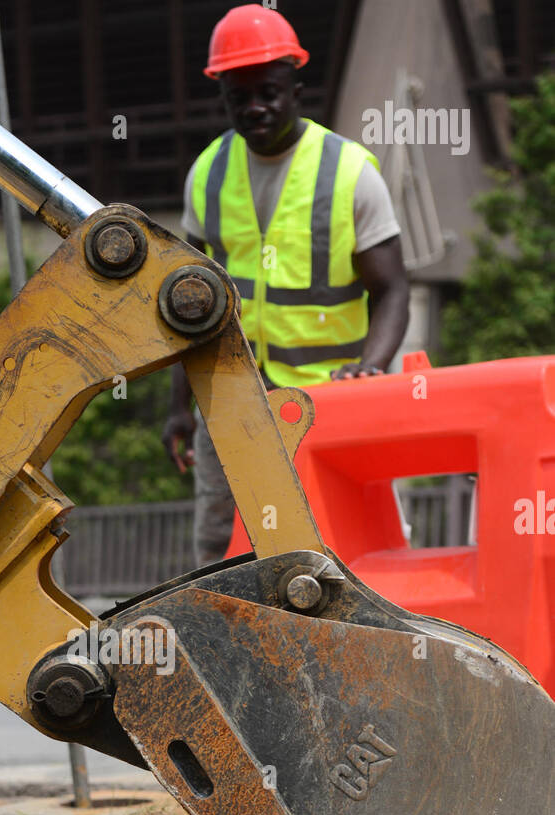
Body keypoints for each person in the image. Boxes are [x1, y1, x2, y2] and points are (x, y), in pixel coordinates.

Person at [163, 4, 409, 566]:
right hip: (233, 397)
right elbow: (186, 301)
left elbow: (392, 288)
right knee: (219, 554)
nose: (255, 107)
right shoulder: (208, 174)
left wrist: (372, 366)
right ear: (221, 93)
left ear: (296, 84)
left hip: (331, 399)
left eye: (269, 91)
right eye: (238, 95)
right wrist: (180, 407)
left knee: (349, 549)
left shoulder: (349, 173)